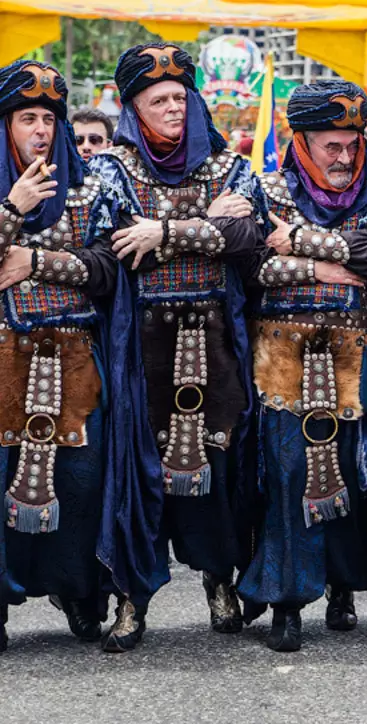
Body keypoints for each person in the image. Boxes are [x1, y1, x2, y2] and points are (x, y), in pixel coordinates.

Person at [90, 44, 263, 652]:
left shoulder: (227, 165)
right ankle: (131, 601)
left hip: (215, 342)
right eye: (157, 100)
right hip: (140, 348)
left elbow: (249, 236)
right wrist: (208, 228)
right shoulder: (110, 170)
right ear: (133, 109)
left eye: (179, 99)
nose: (172, 109)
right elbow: (112, 251)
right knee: (139, 472)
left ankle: (220, 582)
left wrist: (163, 231)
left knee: (216, 468)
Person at [235, 81, 367, 651]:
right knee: (287, 475)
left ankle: (343, 586)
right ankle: (286, 599)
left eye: (353, 144)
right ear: (301, 142)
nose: (345, 157)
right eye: (332, 145)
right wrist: (324, 269)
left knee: (355, 472)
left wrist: (299, 245)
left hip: (361, 351)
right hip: (282, 353)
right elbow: (249, 261)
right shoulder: (265, 188)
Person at [0, 61, 145, 652]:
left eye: (47, 118)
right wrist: (12, 208)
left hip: (74, 356)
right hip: (3, 355)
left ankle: (82, 595)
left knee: (81, 484)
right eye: (26, 118)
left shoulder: (92, 183)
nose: (39, 129)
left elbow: (110, 268)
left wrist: (36, 263)